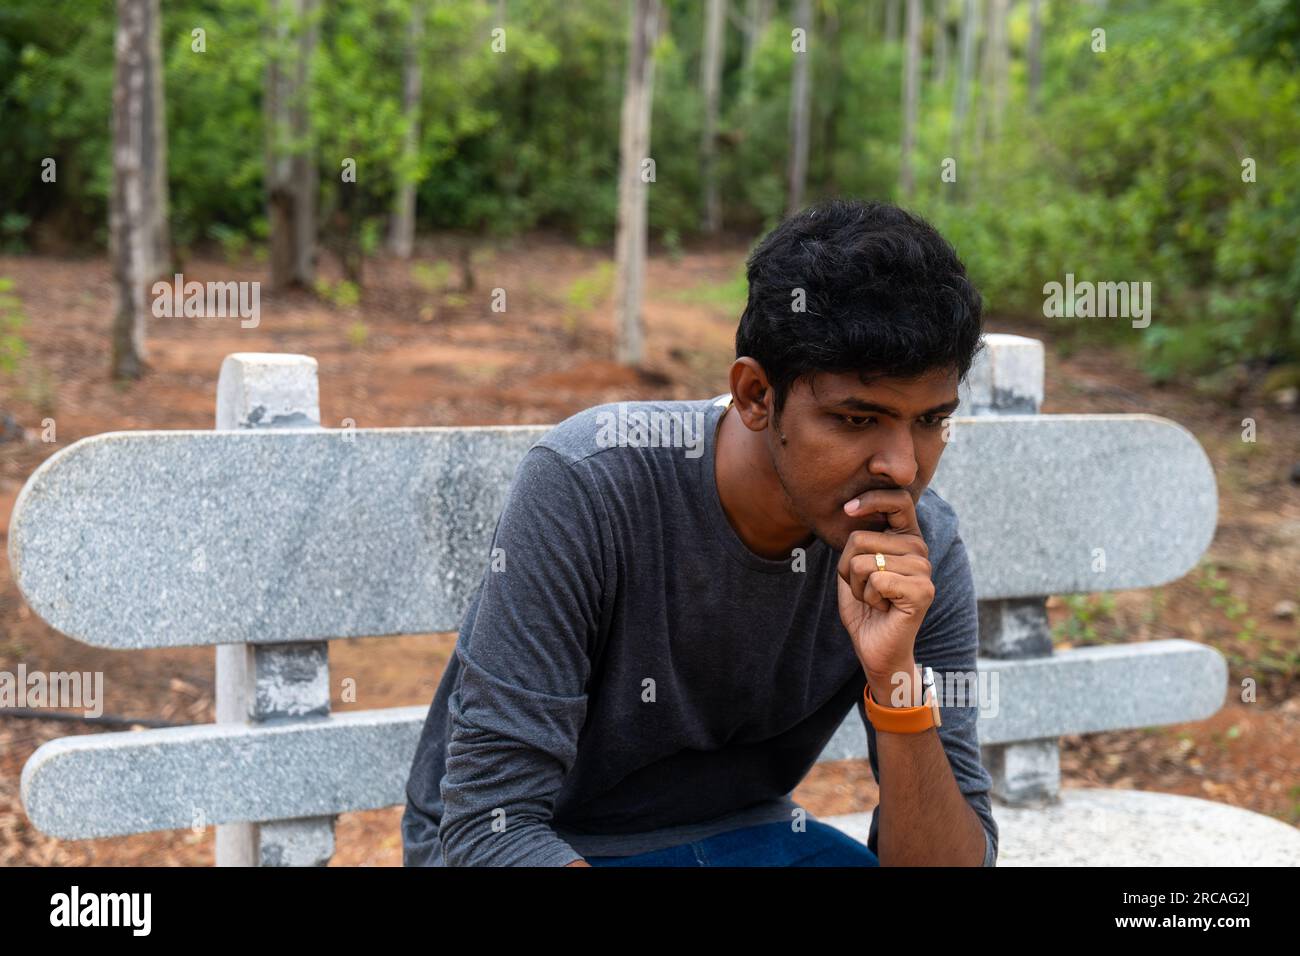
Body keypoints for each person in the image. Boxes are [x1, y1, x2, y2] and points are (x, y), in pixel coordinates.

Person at [402, 197, 998, 867]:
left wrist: (895, 680)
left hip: (749, 837)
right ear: (754, 396)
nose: (902, 465)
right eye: (858, 421)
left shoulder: (921, 549)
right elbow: (489, 828)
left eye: (928, 421)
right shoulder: (592, 483)